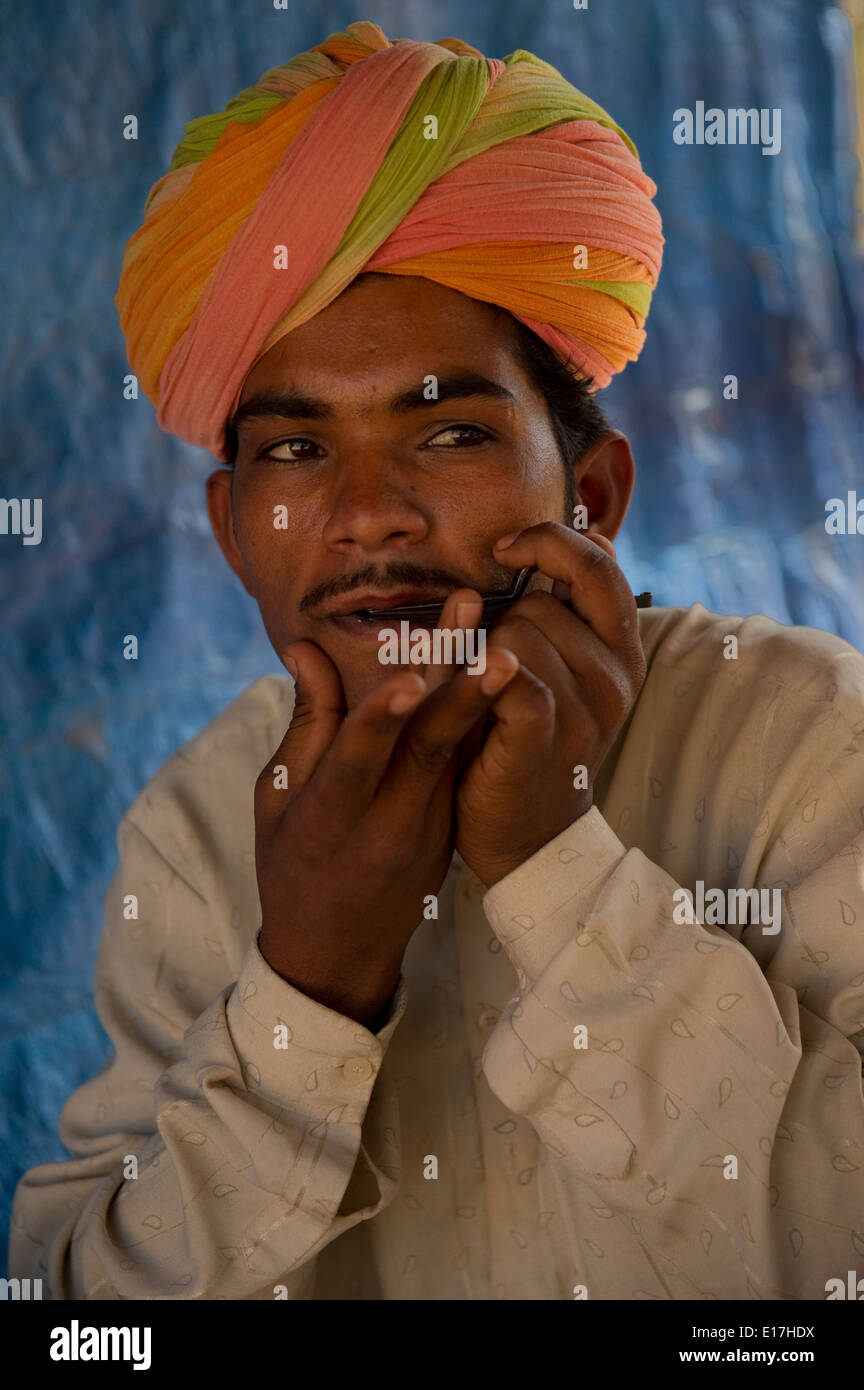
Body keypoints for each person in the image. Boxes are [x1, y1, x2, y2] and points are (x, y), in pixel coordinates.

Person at [9, 20, 864, 1302]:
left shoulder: (801, 737)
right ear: (231, 528)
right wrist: (309, 983)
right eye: (295, 453)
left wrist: (553, 868)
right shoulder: (195, 833)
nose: (369, 515)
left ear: (592, 494)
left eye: (451, 433)